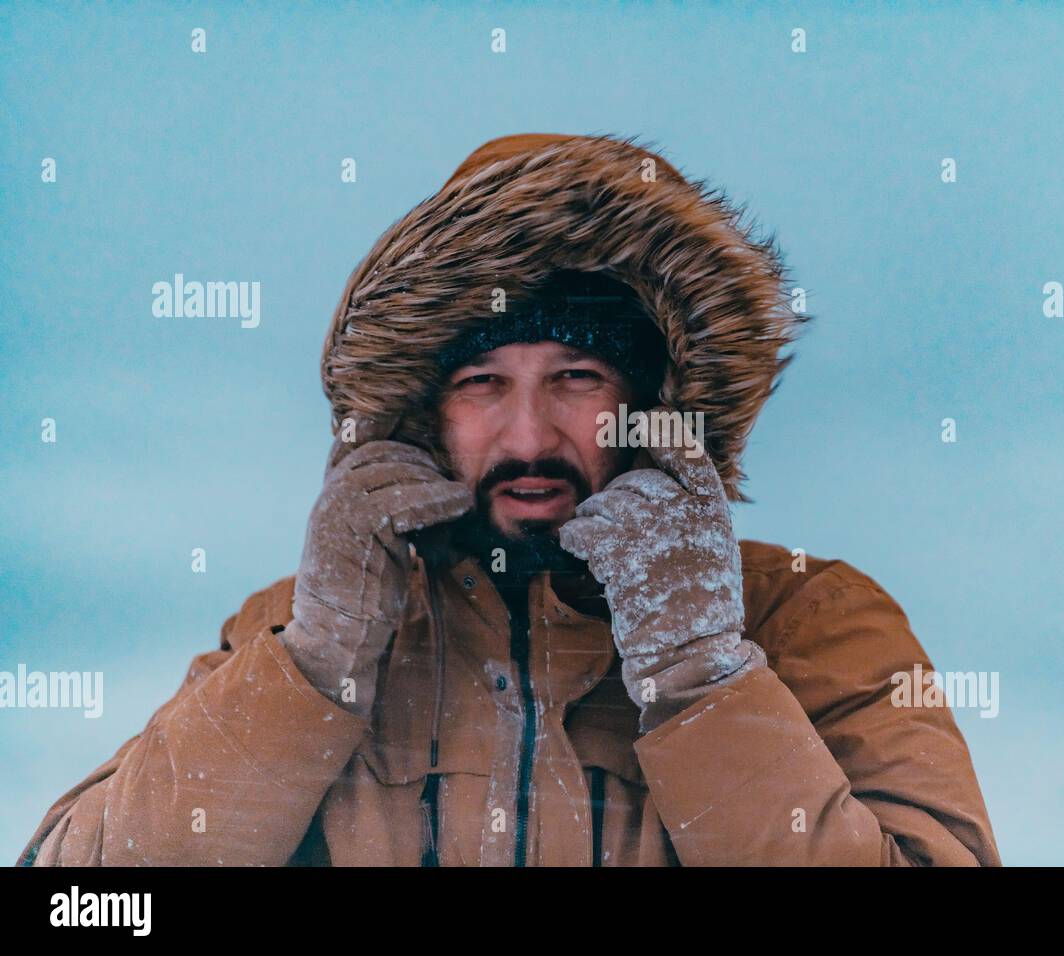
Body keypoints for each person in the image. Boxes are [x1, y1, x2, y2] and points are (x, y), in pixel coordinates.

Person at [18, 133, 1001, 867]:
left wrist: (703, 671)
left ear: (652, 399)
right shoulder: (299, 628)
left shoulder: (811, 620)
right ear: (423, 410)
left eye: (576, 375)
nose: (529, 437)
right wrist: (314, 666)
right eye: (481, 381)